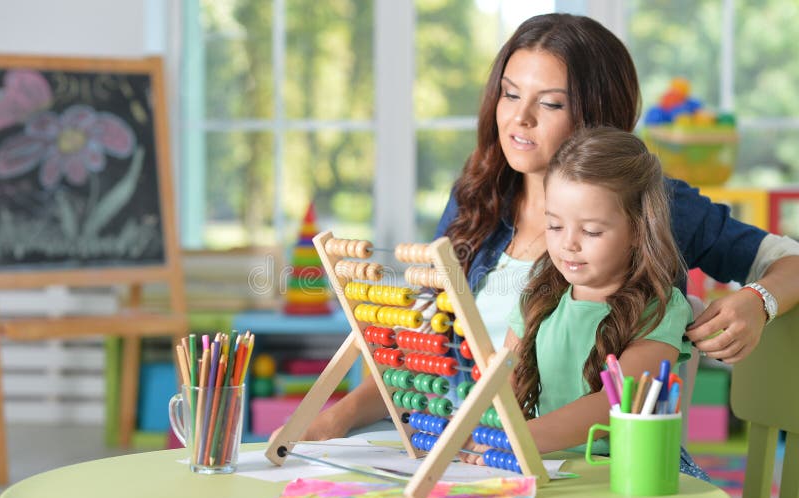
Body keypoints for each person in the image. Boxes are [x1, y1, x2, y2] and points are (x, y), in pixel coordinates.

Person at [273, 13, 799, 451]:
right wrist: (332, 423)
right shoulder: (475, 198)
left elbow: (789, 261)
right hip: (469, 452)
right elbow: (427, 354)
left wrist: (760, 301)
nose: (518, 119)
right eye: (509, 94)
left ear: (596, 114)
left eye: (550, 103)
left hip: (584, 463)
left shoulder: (653, 201)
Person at [462, 126, 693, 464]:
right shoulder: (538, 298)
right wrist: (474, 427)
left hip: (624, 473)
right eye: (555, 226)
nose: (568, 243)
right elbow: (504, 383)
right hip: (546, 467)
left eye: (591, 230)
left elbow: (614, 405)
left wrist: (518, 439)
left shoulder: (661, 309)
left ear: (638, 230)